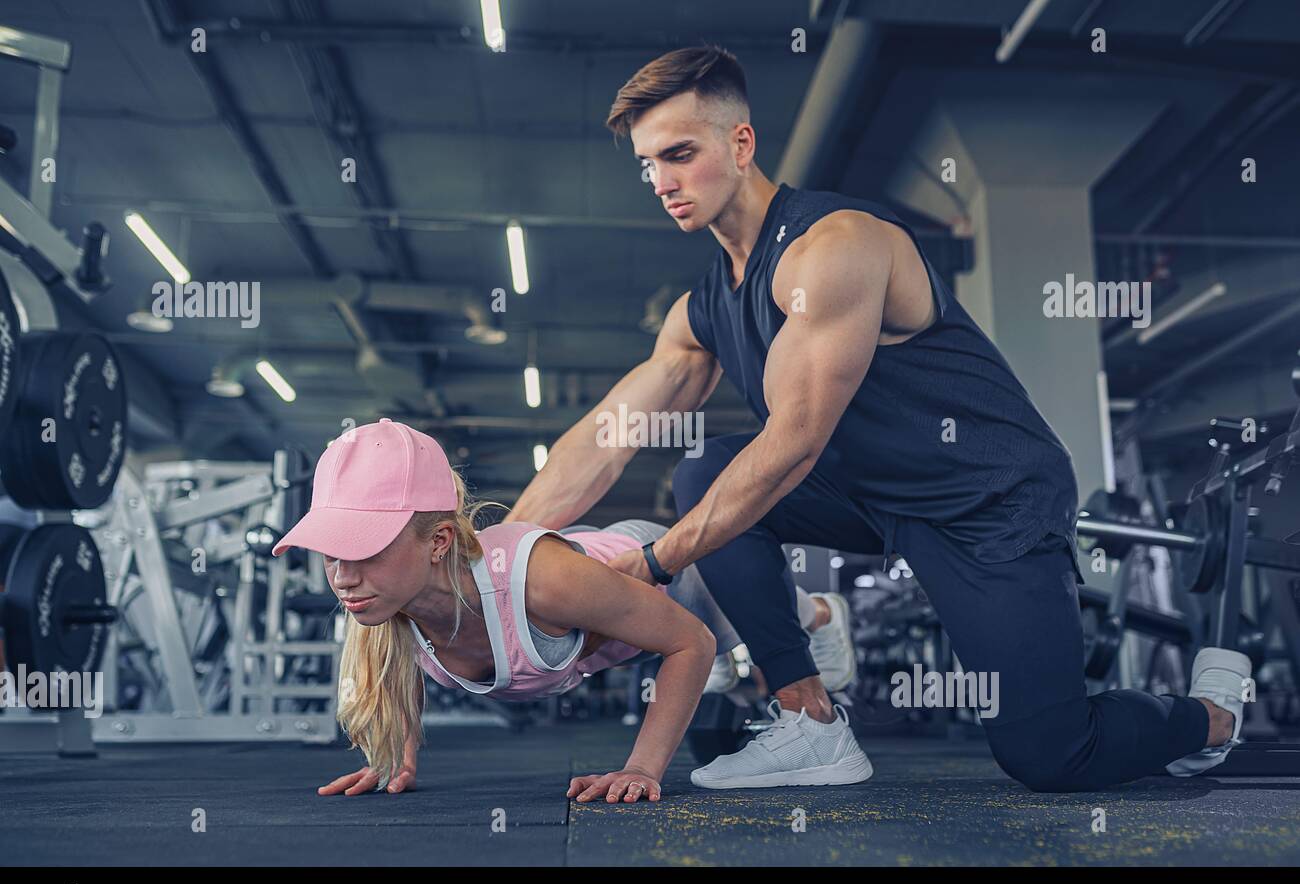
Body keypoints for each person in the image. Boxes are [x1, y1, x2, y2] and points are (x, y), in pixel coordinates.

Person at [504, 46, 1248, 792]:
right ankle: (811, 720)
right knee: (701, 466)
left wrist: (657, 562)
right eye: (647, 164)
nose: (662, 182)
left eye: (679, 154)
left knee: (1050, 753)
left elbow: (794, 442)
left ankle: (1211, 713)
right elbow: (613, 432)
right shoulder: (702, 308)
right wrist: (500, 555)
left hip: (987, 502)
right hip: (870, 494)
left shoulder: (836, 248)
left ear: (741, 143)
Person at [272, 418, 865, 803]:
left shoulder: (537, 583)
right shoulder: (380, 603)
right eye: (331, 554)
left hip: (658, 574)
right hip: (600, 596)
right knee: (698, 659)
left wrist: (643, 769)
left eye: (364, 551)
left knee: (748, 620)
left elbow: (691, 643)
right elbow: (398, 679)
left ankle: (821, 615)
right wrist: (394, 759)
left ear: (438, 543)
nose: (343, 577)